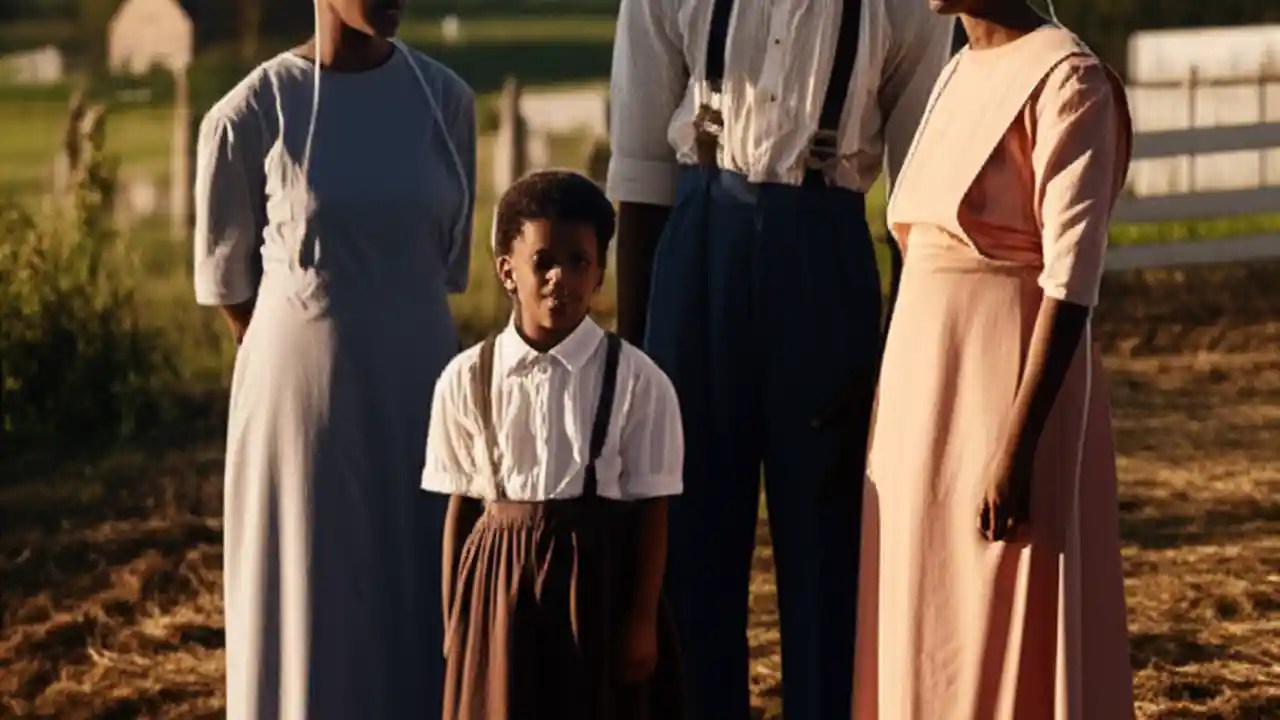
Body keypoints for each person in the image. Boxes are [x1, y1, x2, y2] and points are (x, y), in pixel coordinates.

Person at [606, 1, 955, 717]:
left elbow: (919, 187)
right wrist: (634, 358)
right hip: (697, 244)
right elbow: (639, 164)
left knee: (830, 545)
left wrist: (896, 353)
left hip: (825, 253)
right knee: (687, 540)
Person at [852, 2, 1135, 718]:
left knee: (997, 603)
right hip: (920, 401)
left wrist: (1017, 445)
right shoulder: (954, 70)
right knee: (923, 604)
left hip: (1001, 394)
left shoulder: (1070, 80)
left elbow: (1071, 282)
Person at [191, 0, 475, 716]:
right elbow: (229, 286)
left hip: (421, 394)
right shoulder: (251, 113)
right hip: (301, 413)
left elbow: (443, 266)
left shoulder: (446, 102)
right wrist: (314, 347)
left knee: (417, 587)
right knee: (312, 592)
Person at [423, 171, 687, 720]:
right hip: (497, 590)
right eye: (542, 261)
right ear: (507, 271)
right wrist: (456, 619)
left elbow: (653, 508)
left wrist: (640, 621)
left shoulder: (637, 380)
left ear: (600, 273)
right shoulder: (466, 378)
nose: (559, 278)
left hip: (596, 586)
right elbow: (462, 507)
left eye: (578, 262)